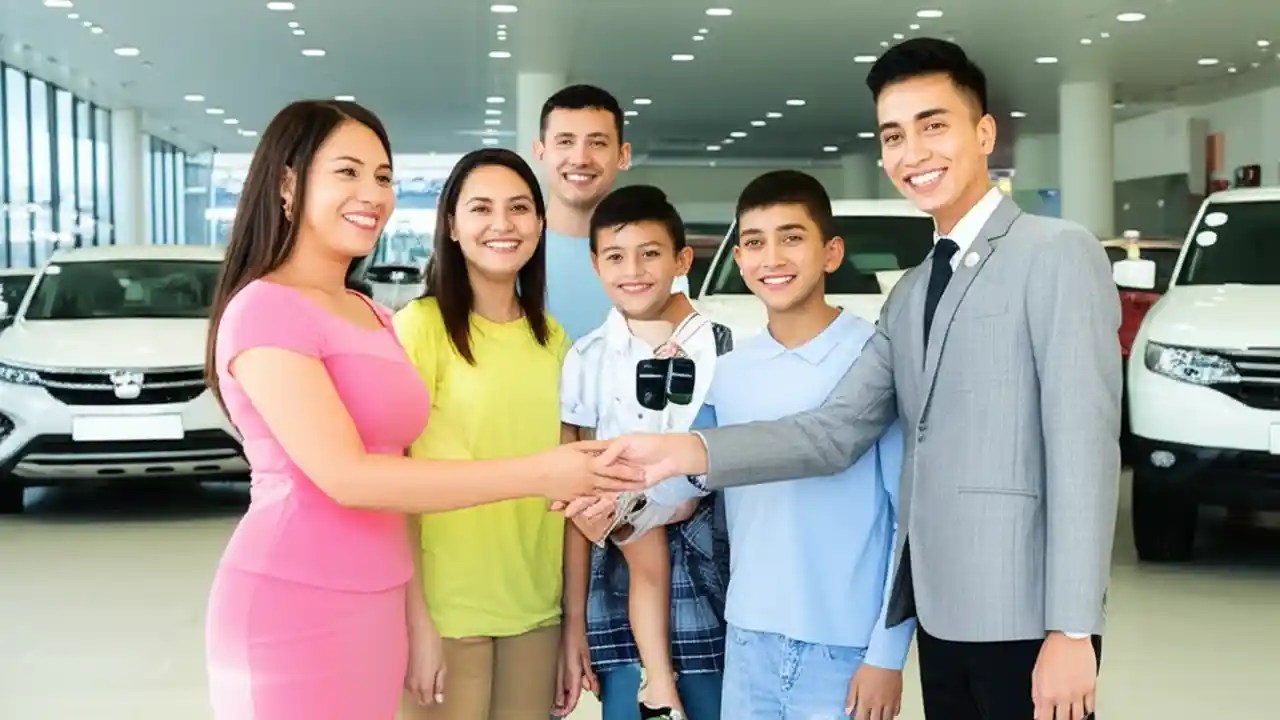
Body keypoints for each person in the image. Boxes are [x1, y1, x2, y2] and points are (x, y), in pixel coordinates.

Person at [590, 38, 1121, 720]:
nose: (914, 153)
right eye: (894, 136)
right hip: (941, 618)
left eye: (934, 126)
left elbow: (1083, 450)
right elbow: (832, 433)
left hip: (1024, 616)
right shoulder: (909, 294)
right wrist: (673, 453)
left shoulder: (1056, 253)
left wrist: (1073, 629)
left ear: (983, 132)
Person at [202, 100, 640, 720]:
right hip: (295, 598)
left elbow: (400, 465)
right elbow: (350, 477)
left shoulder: (371, 313)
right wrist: (541, 472)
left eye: (383, 176)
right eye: (347, 172)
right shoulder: (264, 309)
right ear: (287, 184)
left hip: (382, 600)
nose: (372, 193)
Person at [635, 170, 915, 720]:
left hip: (844, 647)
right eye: (756, 243)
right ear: (739, 259)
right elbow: (681, 483)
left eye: (792, 237)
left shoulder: (874, 362)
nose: (772, 258)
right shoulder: (731, 371)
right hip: (747, 638)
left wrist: (887, 654)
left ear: (831, 252)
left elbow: (908, 524)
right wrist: (609, 491)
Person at [391, 147, 575, 720]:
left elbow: (569, 494)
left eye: (519, 208)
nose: (503, 224)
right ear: (451, 224)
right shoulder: (418, 330)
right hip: (447, 615)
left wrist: (572, 625)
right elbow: (393, 488)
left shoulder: (553, 338)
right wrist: (415, 622)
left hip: (534, 613)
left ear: (541, 225)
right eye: (481, 208)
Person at [556, 185, 731, 720]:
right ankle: (657, 682)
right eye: (614, 256)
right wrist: (573, 623)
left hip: (710, 575)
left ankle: (663, 683)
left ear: (682, 259)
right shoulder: (585, 357)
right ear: (594, 263)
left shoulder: (723, 346)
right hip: (618, 569)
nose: (632, 269)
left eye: (650, 253)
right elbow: (572, 479)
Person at [535, 84, 690, 342]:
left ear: (623, 155)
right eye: (565, 142)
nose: (580, 158)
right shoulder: (513, 251)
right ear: (541, 152)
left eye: (597, 143)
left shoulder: (654, 258)